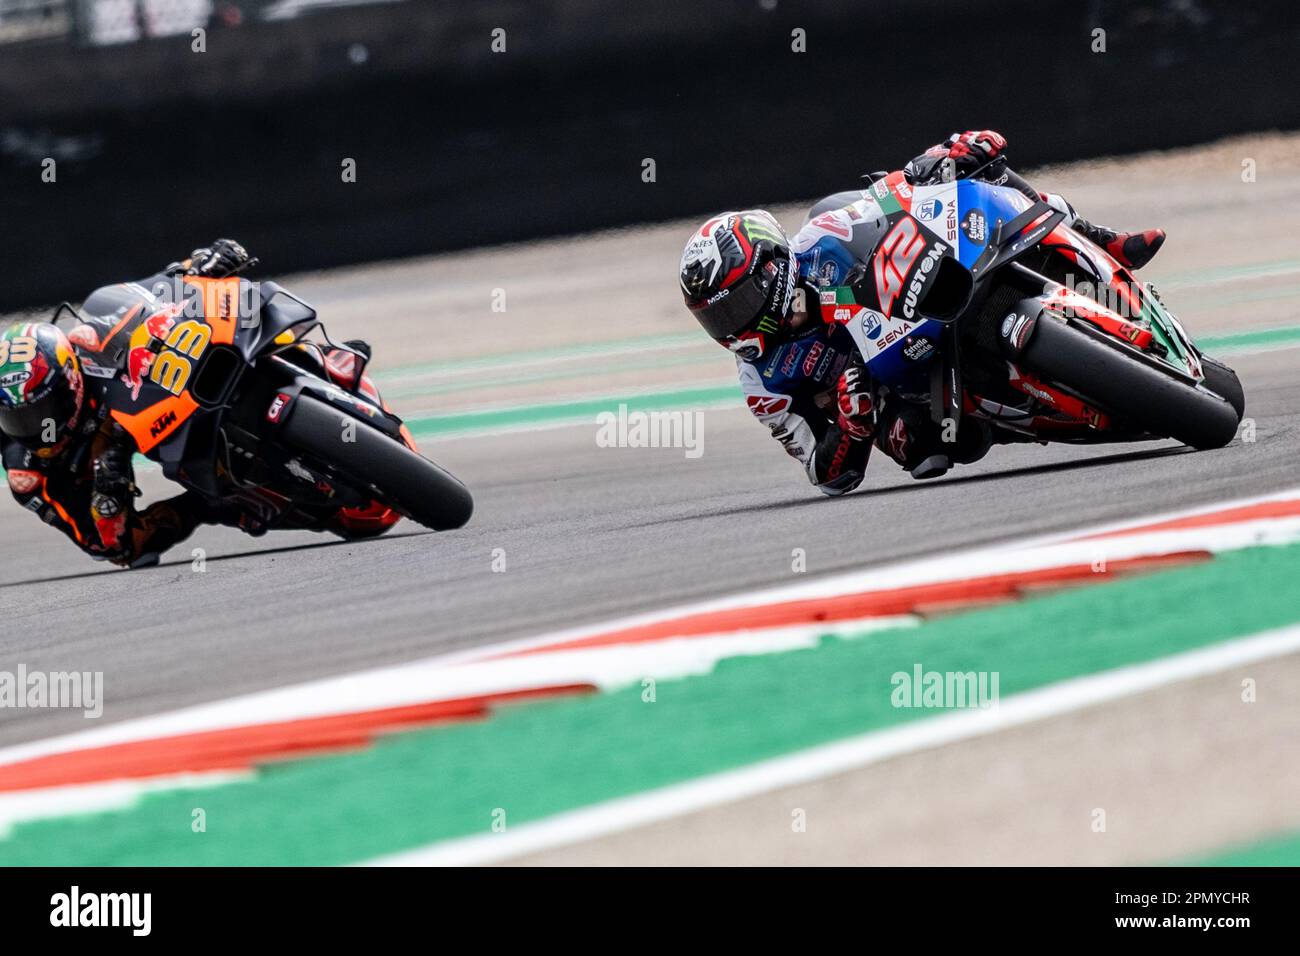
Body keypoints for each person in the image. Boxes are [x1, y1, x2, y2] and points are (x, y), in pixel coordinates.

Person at [677, 130, 1165, 493]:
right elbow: (825, 475)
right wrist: (852, 427)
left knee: (982, 171)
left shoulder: (819, 237)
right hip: (898, 389)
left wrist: (938, 159)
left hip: (917, 304)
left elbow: (882, 199)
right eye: (717, 319)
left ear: (770, 270)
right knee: (926, 448)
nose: (733, 326)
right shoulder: (761, 382)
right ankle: (1015, 415)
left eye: (736, 305)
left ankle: (1101, 240)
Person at [0, 240, 387, 568]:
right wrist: (108, 493)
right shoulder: (28, 470)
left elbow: (146, 294)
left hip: (140, 403)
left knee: (231, 320)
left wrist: (196, 268)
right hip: (99, 463)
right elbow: (106, 541)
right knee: (145, 536)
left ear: (68, 378)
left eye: (38, 411)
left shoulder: (87, 344)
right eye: (15, 418)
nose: (33, 426)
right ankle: (231, 502)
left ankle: (310, 357)